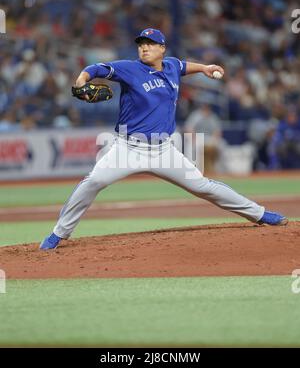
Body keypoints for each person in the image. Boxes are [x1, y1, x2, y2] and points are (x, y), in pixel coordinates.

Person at [40, 28, 288, 250]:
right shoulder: (130, 68)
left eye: (149, 43)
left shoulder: (170, 66)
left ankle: (260, 214)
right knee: (93, 182)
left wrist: (204, 68)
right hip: (127, 148)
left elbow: (182, 66)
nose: (144, 47)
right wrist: (81, 81)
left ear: (162, 48)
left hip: (164, 150)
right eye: (140, 44)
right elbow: (96, 69)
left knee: (202, 186)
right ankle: (58, 234)